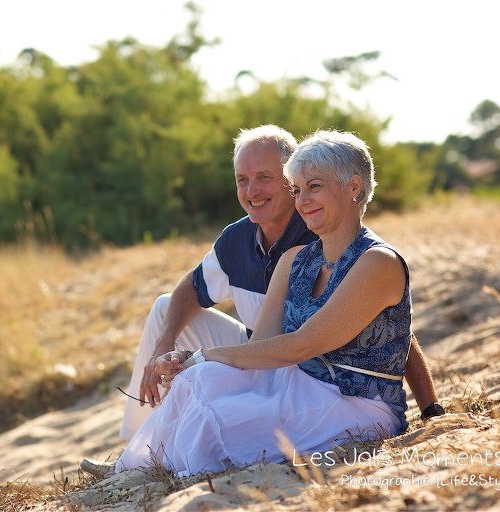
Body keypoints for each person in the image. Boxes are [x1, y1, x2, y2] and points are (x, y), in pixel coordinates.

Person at [80, 125, 443, 476]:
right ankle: (138, 465)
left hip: (356, 405)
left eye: (313, 187)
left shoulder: (378, 262)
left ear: (354, 187)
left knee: (214, 406)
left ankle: (162, 464)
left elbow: (306, 344)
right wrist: (191, 362)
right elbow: (260, 346)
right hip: (294, 382)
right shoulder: (295, 259)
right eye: (298, 189)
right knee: (199, 382)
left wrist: (431, 408)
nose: (303, 200)